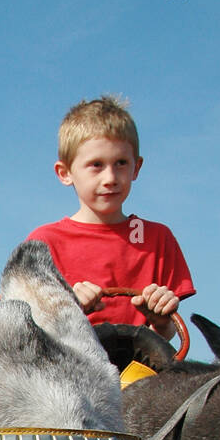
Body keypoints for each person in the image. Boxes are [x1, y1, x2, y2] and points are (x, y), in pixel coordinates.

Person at [25, 95, 194, 337]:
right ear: (65, 173)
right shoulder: (42, 244)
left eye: (121, 163)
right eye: (96, 165)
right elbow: (25, 331)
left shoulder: (158, 239)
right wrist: (67, 311)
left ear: (136, 167)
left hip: (140, 371)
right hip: (69, 369)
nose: (111, 178)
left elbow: (163, 339)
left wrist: (161, 322)